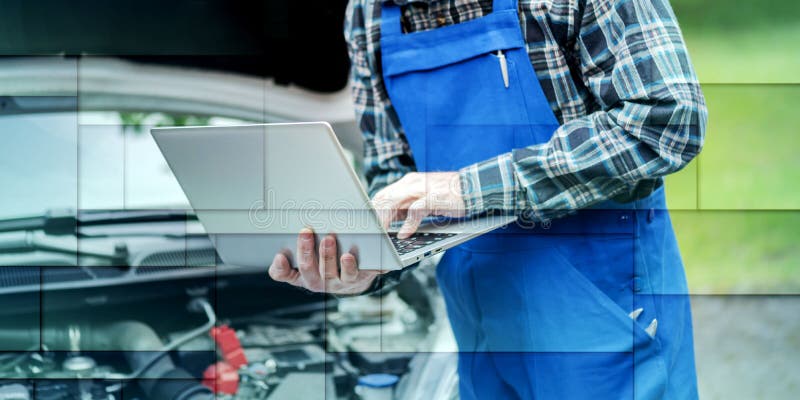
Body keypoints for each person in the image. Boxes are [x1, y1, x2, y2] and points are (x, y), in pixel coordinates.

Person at [269, 0, 707, 398]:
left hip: (607, 325)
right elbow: (396, 176)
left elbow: (666, 121)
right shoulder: (366, 16)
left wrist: (466, 189)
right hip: (482, 338)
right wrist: (368, 263)